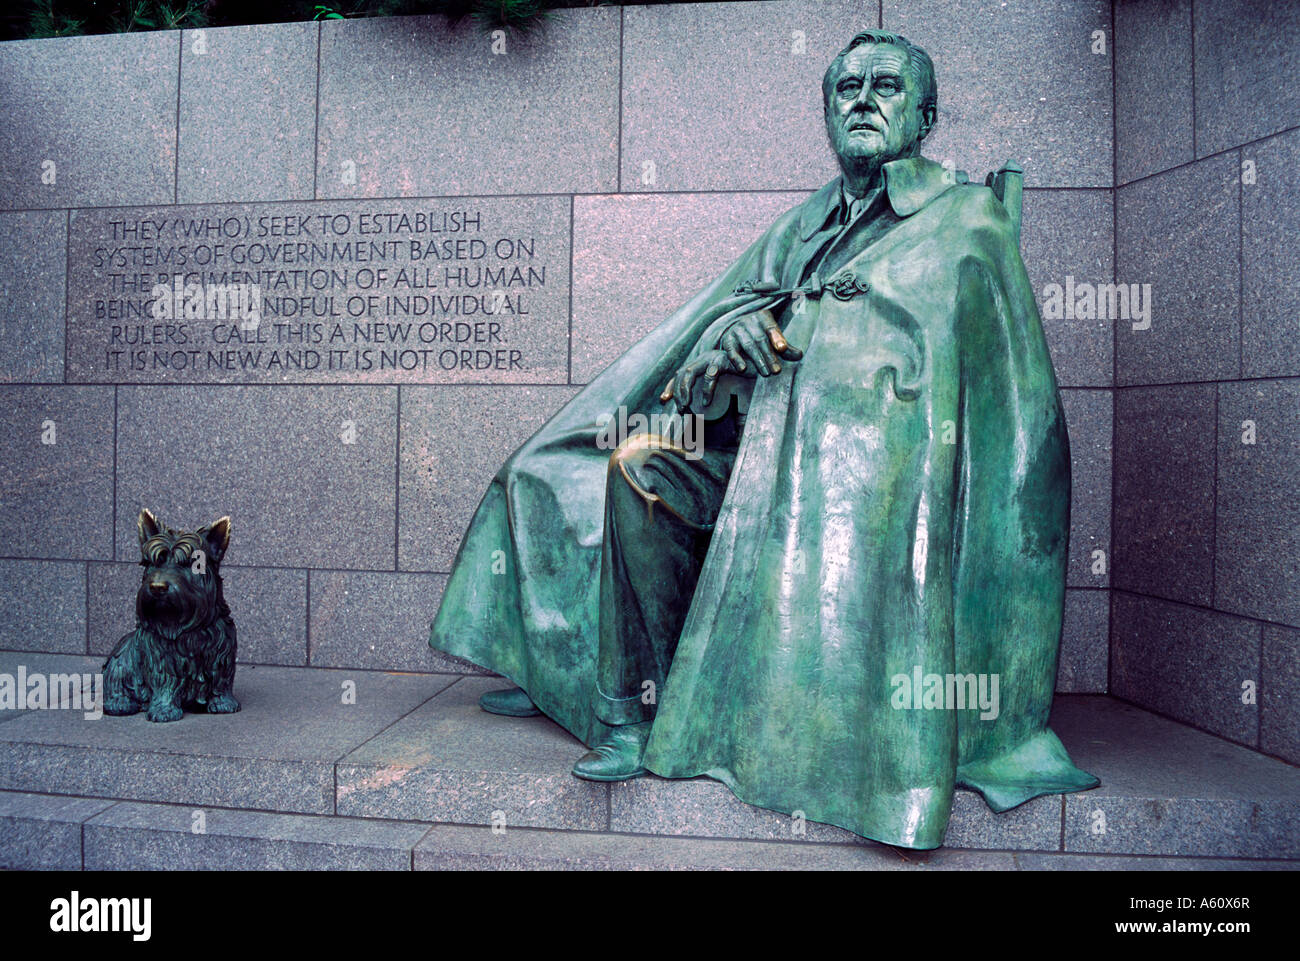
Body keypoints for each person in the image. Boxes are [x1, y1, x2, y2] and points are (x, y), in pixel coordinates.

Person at [431, 29, 1097, 849]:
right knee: (634, 465)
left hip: (858, 481)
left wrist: (798, 331)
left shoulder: (966, 219)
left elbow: (960, 376)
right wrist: (735, 338)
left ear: (925, 116)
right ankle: (627, 709)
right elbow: (718, 326)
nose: (861, 99)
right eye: (845, 88)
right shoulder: (803, 223)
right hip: (748, 449)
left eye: (886, 86)